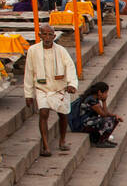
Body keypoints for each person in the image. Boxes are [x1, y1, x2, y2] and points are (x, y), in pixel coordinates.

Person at [24, 24, 77, 156]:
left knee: (63, 115)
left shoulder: (61, 50)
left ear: (54, 36)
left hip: (59, 87)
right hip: (42, 88)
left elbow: (69, 67)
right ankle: (46, 146)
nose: (47, 38)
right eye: (45, 34)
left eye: (50, 35)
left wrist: (72, 84)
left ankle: (62, 140)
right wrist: (28, 94)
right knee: (43, 113)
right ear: (40, 35)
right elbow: (29, 72)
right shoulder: (33, 50)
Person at [69, 80, 121, 149]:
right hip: (81, 125)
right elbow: (103, 115)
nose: (106, 95)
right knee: (107, 120)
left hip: (87, 122)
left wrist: (114, 115)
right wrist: (104, 101)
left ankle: (104, 139)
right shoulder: (91, 100)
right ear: (99, 92)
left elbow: (105, 112)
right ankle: (101, 141)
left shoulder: (94, 99)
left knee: (114, 119)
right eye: (105, 93)